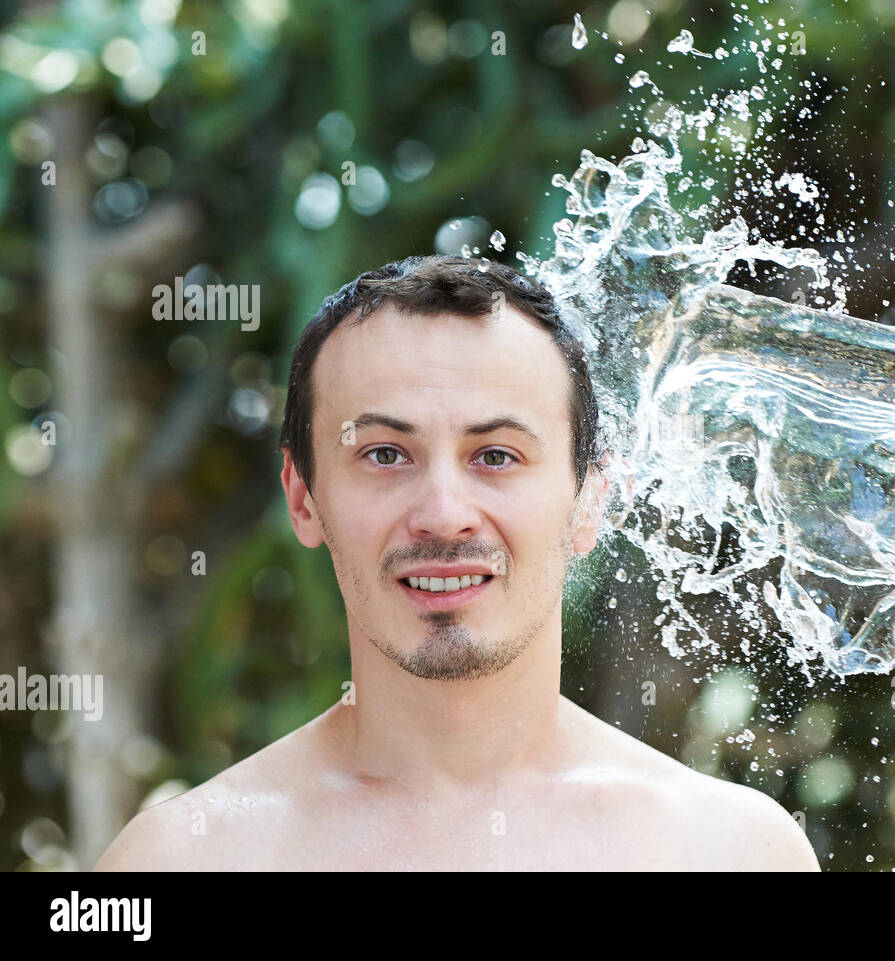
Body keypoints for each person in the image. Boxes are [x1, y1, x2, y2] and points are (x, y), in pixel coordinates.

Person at [96, 255, 820, 871]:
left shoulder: (729, 852)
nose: (444, 512)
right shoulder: (185, 858)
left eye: (497, 456)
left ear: (591, 497)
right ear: (303, 495)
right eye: (384, 454)